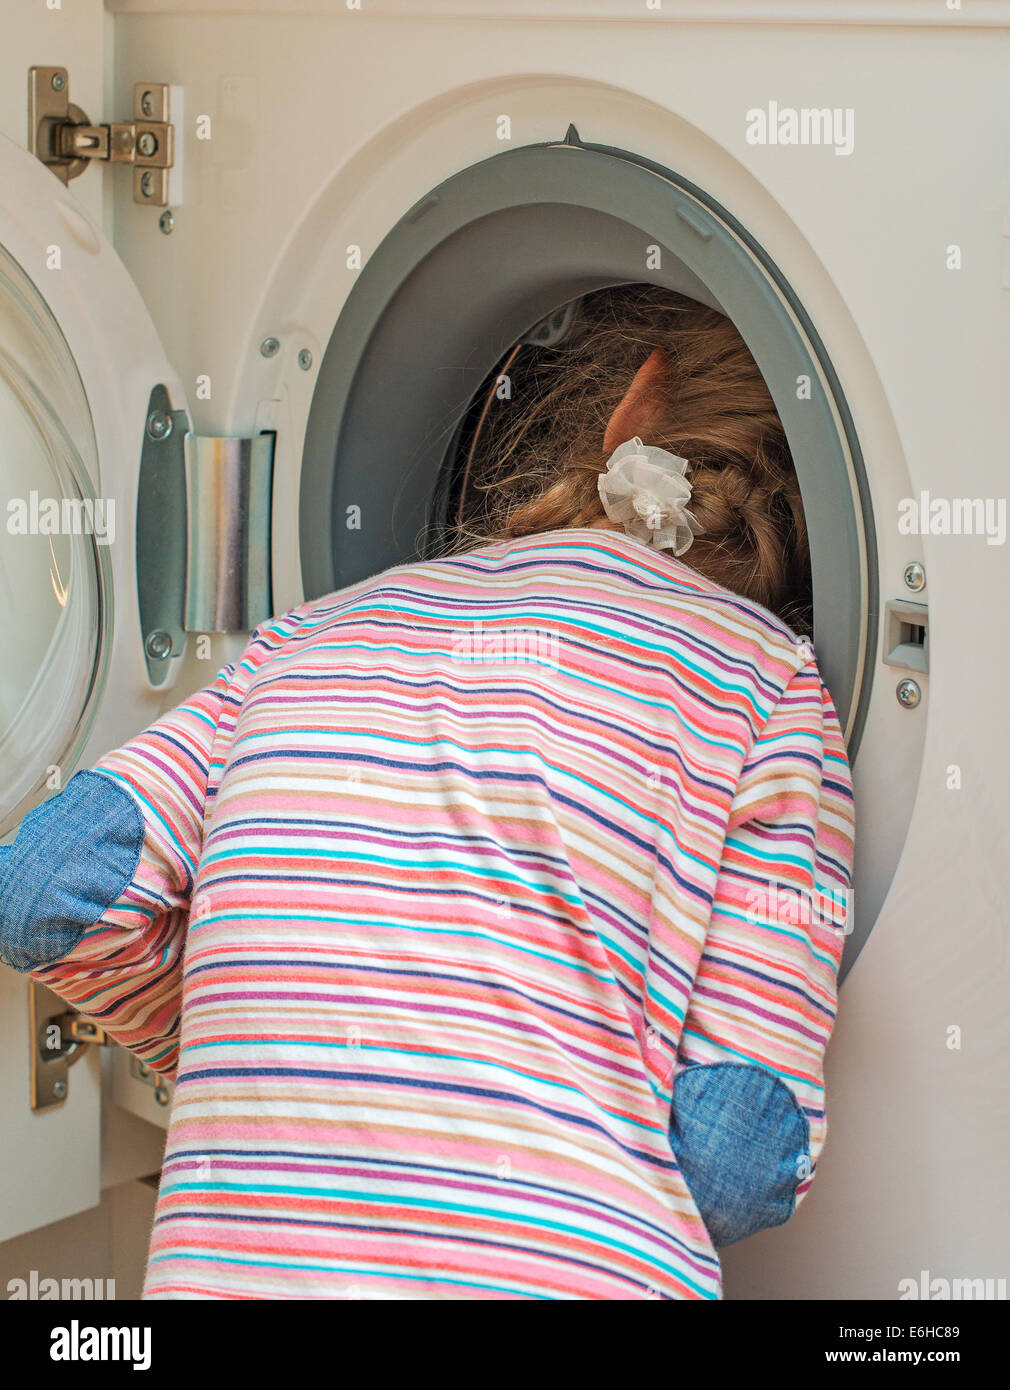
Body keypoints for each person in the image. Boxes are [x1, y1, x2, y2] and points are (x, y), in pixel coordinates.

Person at [0, 284, 854, 1300]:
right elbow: (731, 1154)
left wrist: (287, 1052)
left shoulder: (319, 627)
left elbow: (51, 886)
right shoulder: (769, 685)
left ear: (633, 402)